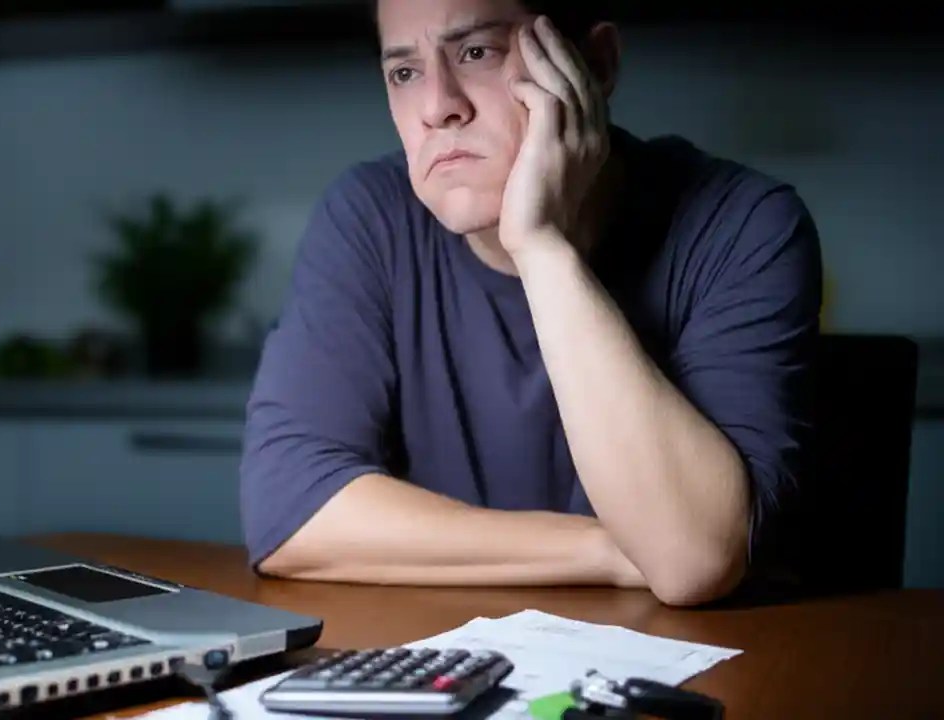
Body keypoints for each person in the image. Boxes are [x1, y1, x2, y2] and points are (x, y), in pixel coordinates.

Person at [238, 0, 822, 606]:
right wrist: (610, 551)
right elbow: (289, 512)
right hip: (452, 662)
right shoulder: (370, 215)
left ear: (594, 65)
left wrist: (541, 247)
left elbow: (692, 561)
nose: (439, 106)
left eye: (476, 53)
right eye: (405, 72)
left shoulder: (744, 223)